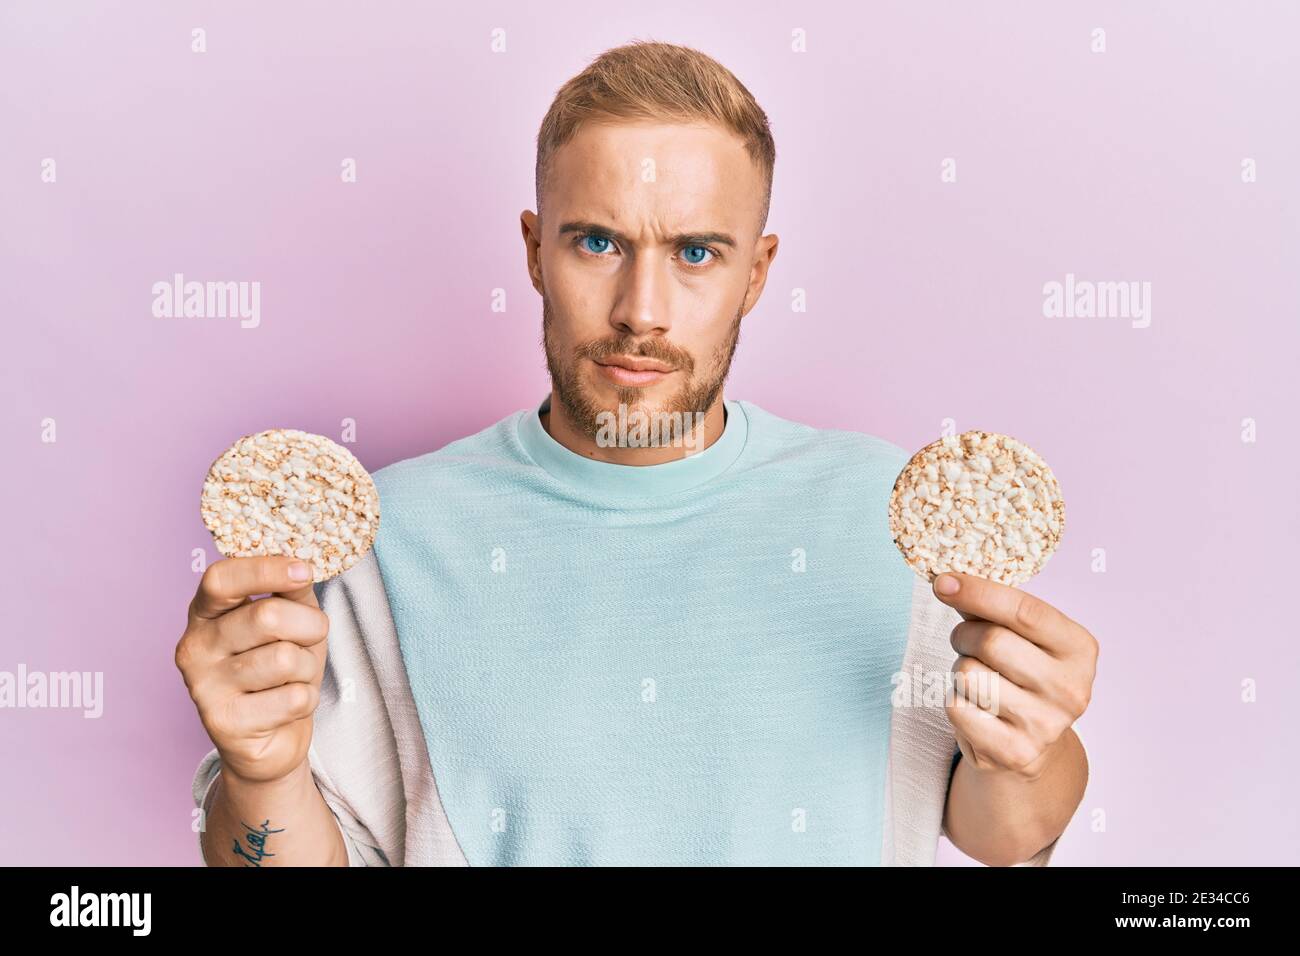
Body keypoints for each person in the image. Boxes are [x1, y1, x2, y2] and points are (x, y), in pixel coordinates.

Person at [175, 40, 1096, 867]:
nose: (640, 311)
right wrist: (260, 773)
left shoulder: (887, 519)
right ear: (535, 250)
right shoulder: (390, 540)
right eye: (598, 242)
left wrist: (1032, 751)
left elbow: (1003, 835)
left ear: (756, 273)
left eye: (695, 253)